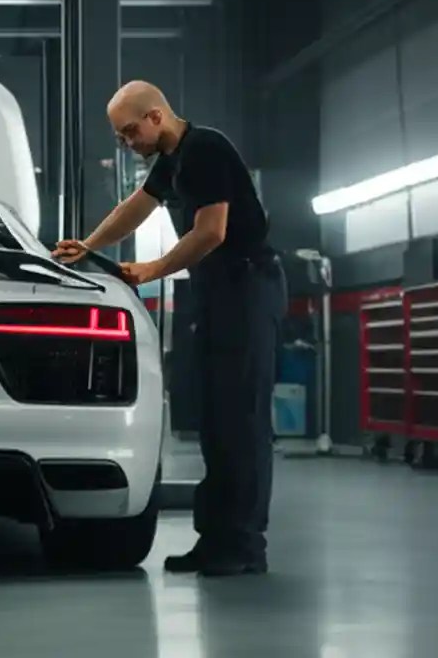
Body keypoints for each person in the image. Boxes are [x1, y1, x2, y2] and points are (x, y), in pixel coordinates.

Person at [52, 80, 285, 577]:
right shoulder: (171, 160)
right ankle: (216, 538)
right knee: (215, 419)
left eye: (129, 132)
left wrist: (152, 269)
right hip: (215, 289)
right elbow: (135, 207)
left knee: (241, 420)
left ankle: (245, 545)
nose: (125, 142)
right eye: (119, 136)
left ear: (155, 116)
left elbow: (212, 231)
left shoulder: (205, 149)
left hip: (246, 285)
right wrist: (89, 245)